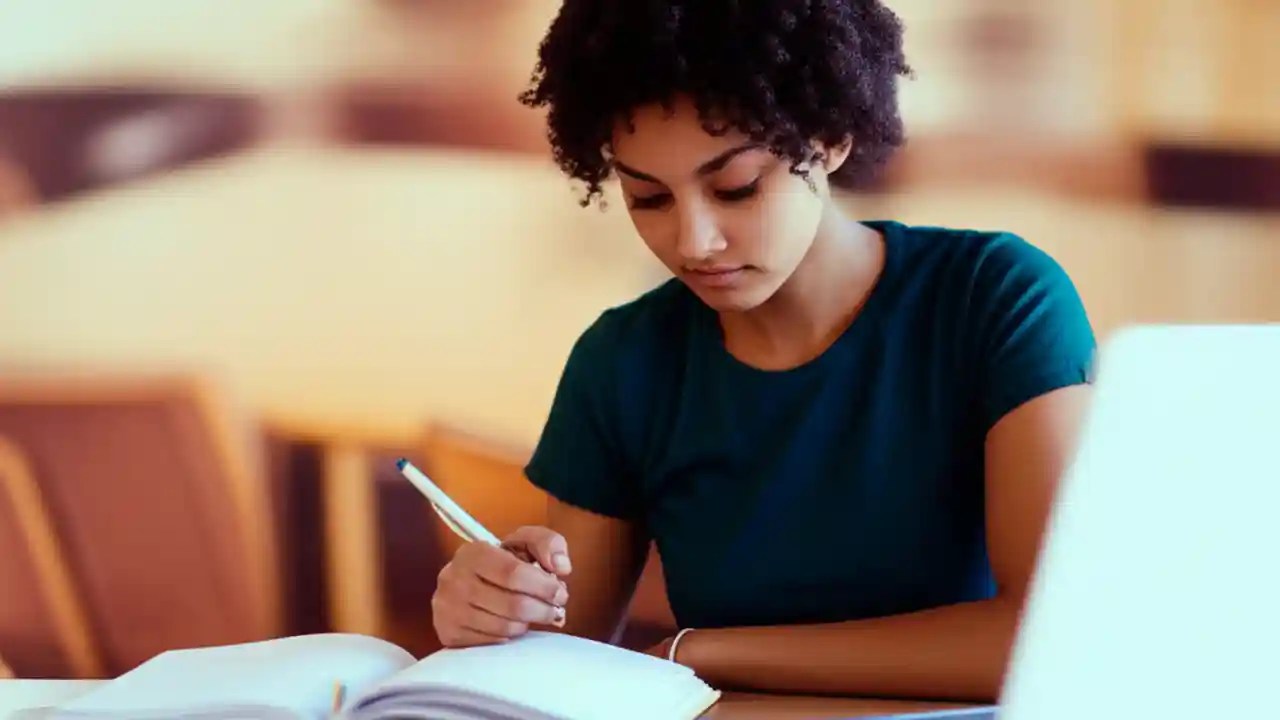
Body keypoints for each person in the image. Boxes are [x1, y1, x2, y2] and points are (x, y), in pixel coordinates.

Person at [429, 0, 1095, 702]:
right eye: (648, 198)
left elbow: (1053, 635)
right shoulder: (624, 361)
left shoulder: (996, 300)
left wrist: (706, 650)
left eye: (736, 188)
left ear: (831, 139)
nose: (694, 242)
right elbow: (558, 667)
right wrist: (493, 613)